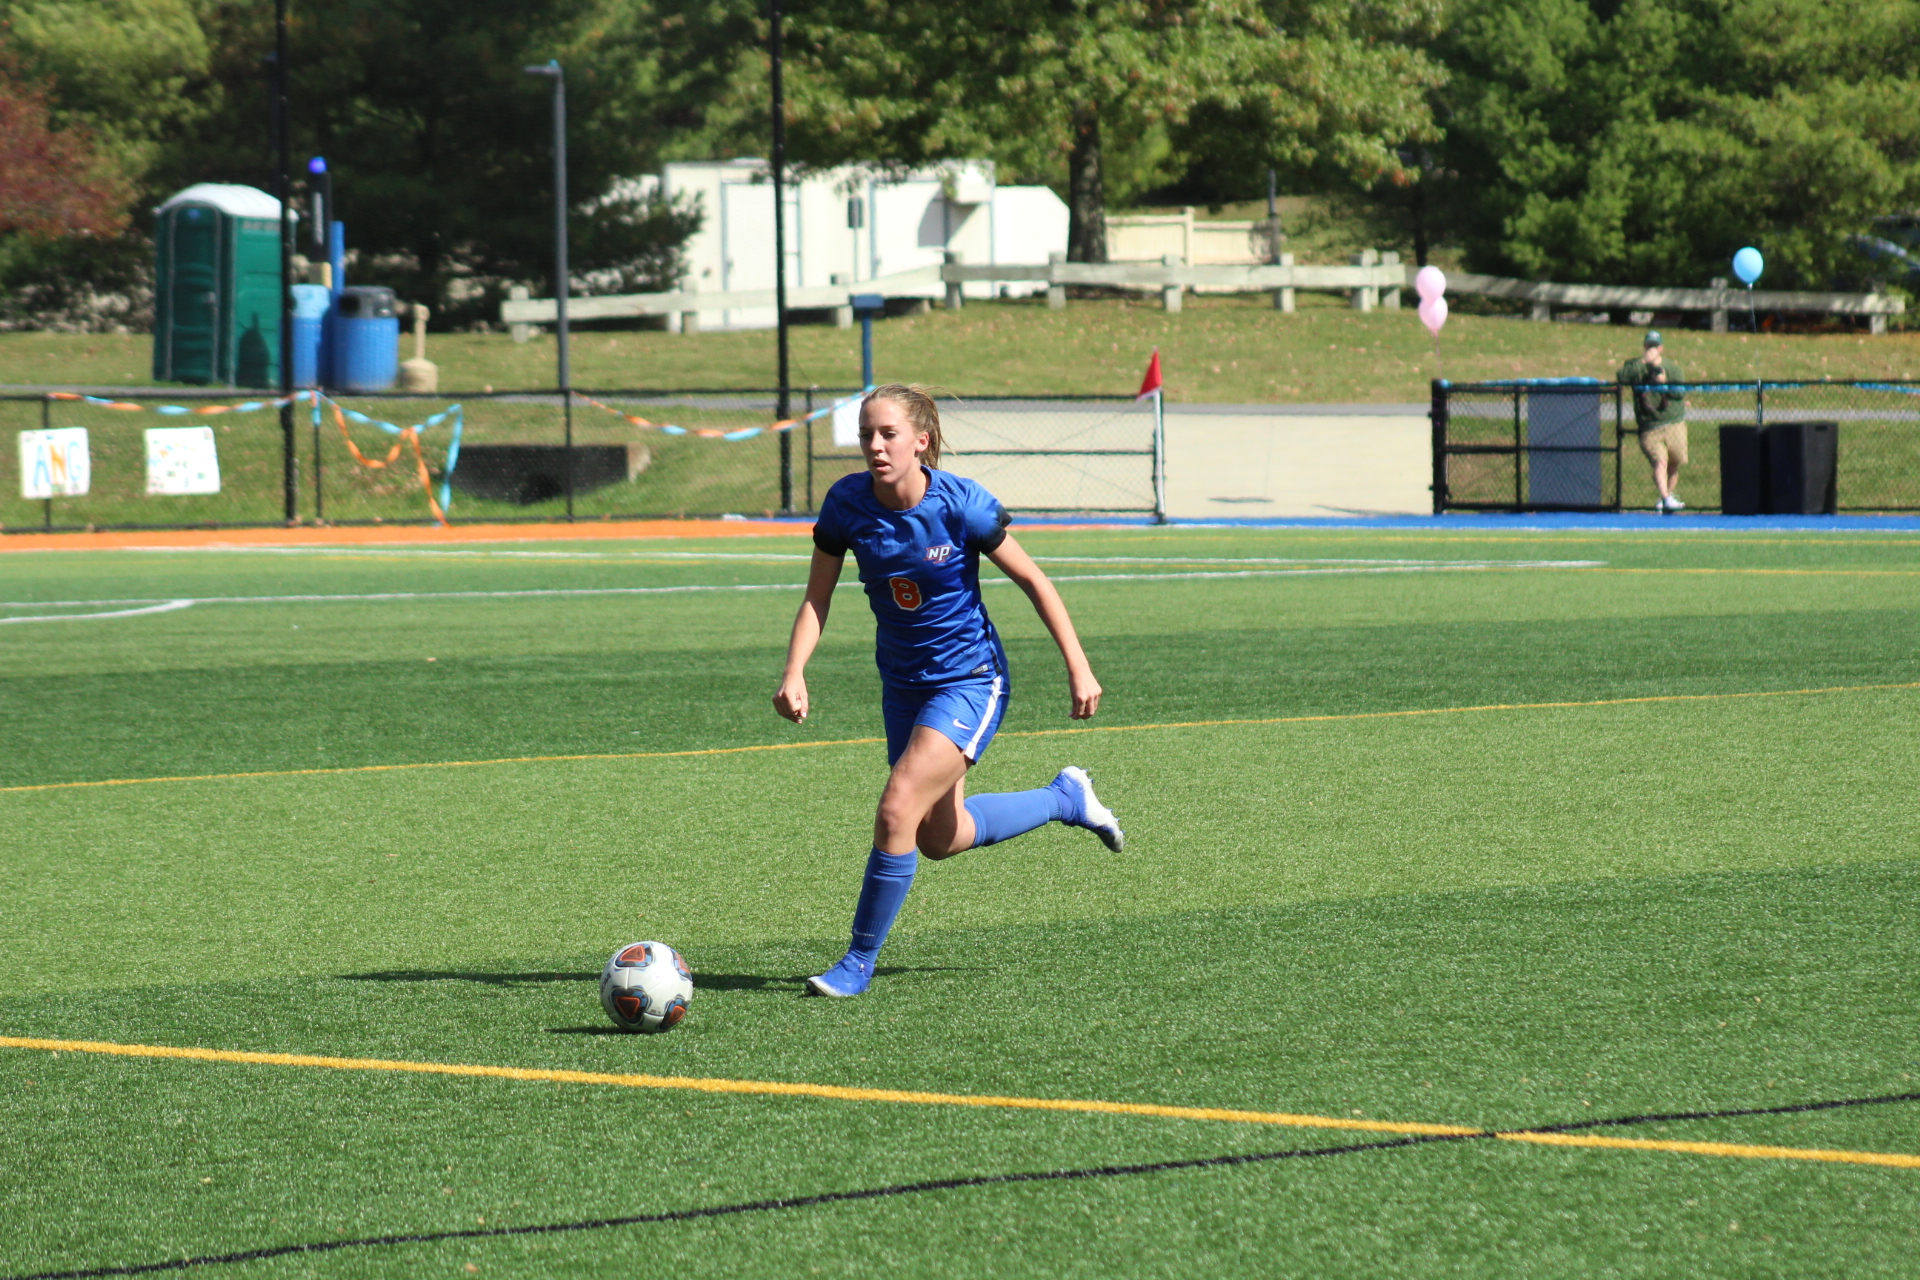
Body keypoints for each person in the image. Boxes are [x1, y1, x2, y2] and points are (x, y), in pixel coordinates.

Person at [773, 384, 1124, 998]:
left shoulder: (963, 504)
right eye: (865, 435)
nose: (875, 446)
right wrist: (795, 670)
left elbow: (1035, 581)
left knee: (895, 810)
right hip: (902, 685)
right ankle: (1066, 799)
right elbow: (817, 596)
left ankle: (856, 963)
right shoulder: (845, 505)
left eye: (887, 434)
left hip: (969, 680)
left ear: (921, 442)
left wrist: (1079, 665)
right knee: (939, 836)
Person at [1617, 330, 1688, 513]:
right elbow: (1622, 378)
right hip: (1650, 427)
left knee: (1674, 463)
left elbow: (1680, 393)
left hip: (1674, 423)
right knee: (1660, 462)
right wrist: (1643, 362)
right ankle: (1665, 498)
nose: (1652, 350)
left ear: (1661, 348)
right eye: (1649, 346)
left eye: (1655, 347)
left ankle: (1666, 497)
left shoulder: (1672, 368)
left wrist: (1664, 384)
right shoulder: (1635, 366)